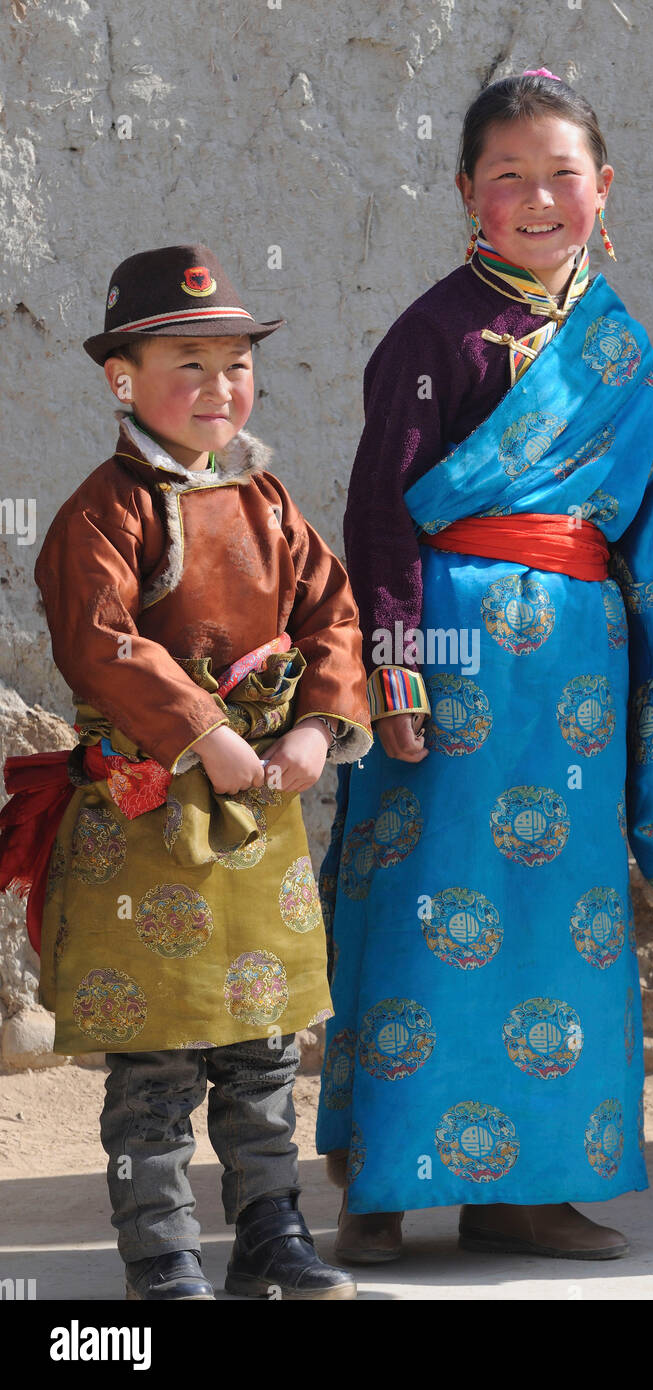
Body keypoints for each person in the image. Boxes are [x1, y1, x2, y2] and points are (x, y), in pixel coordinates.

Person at [316, 71, 653, 1263]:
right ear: (466, 192)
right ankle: (381, 1187)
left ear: (604, 190)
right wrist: (395, 668)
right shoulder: (435, 333)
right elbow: (380, 517)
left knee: (565, 924)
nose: (538, 197)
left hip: (576, 690)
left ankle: (528, 1187)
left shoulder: (622, 350)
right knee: (420, 913)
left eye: (563, 174)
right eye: (508, 175)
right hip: (451, 670)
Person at [1, 244, 372, 1300]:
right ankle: (161, 1257)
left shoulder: (266, 500)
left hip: (259, 818)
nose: (219, 387)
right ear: (123, 380)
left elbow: (331, 613)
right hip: (149, 819)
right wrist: (205, 730)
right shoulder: (103, 512)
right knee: (156, 1066)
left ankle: (273, 1234)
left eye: (235, 364)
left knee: (261, 1048)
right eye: (188, 364)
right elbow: (100, 641)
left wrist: (317, 727)